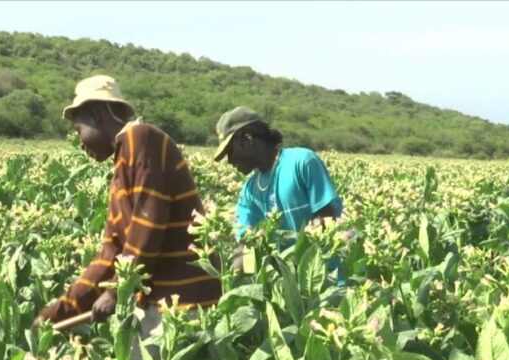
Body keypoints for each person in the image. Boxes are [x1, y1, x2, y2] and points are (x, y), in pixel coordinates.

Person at [35, 75, 222, 337]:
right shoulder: (122, 163)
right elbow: (111, 254)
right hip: (157, 305)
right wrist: (60, 311)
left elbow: (149, 223)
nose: (79, 142)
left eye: (78, 130)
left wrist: (116, 290)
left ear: (97, 114)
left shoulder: (141, 139)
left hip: (184, 307)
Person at [213, 106, 343, 270]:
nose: (230, 161)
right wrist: (228, 283)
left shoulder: (302, 162)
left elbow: (326, 218)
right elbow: (245, 245)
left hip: (323, 282)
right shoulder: (248, 192)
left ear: (248, 139)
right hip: (286, 289)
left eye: (230, 151)